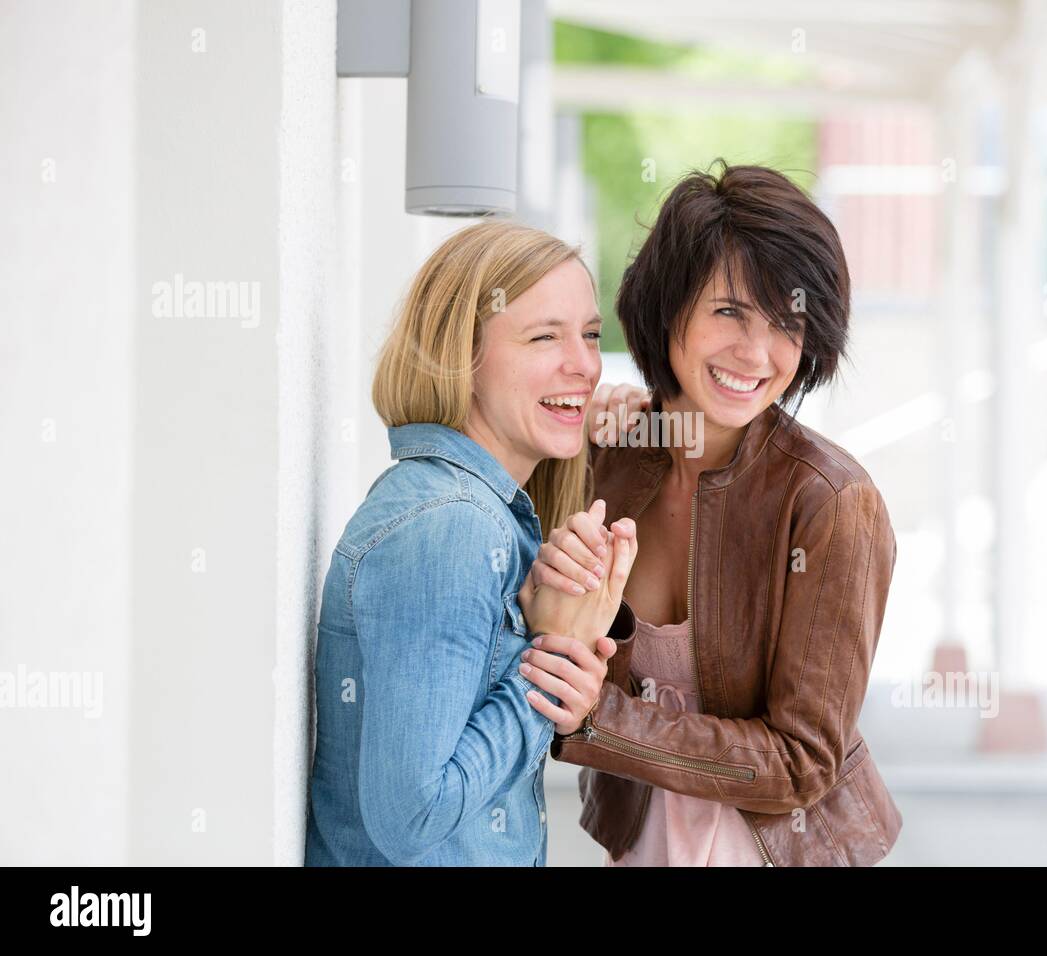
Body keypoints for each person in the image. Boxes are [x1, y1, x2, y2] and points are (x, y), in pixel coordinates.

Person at [523, 162, 903, 866]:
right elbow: (533, 629)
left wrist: (600, 719)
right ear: (670, 310)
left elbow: (801, 763)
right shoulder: (612, 459)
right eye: (729, 311)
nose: (755, 353)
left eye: (786, 321)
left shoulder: (831, 503)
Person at [304, 219, 634, 867]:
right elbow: (413, 816)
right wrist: (553, 663)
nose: (586, 364)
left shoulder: (483, 514)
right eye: (545, 336)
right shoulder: (450, 527)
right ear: (462, 354)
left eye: (591, 335)